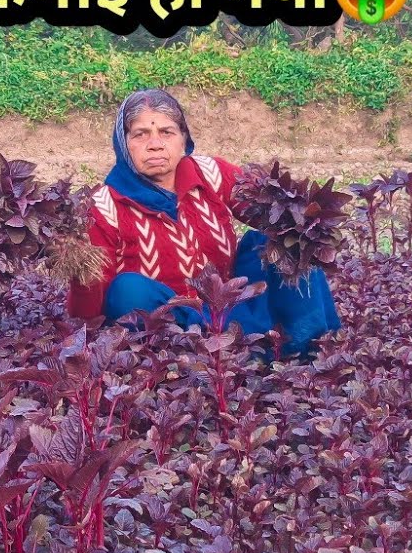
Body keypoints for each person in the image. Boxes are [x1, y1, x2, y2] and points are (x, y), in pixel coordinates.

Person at [65, 88, 340, 356]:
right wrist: (78, 271)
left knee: (279, 242)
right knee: (127, 290)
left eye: (166, 132)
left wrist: (303, 214)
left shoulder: (211, 173)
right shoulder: (104, 206)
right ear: (123, 144)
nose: (155, 144)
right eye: (140, 134)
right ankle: (227, 350)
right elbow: (91, 306)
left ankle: (303, 341)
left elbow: (270, 211)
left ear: (183, 139)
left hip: (232, 306)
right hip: (171, 320)